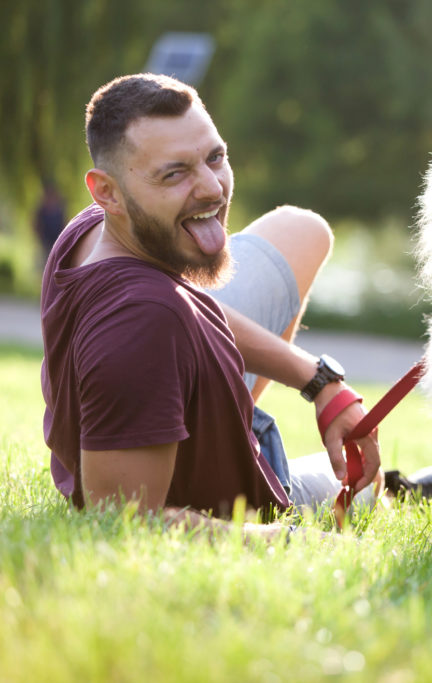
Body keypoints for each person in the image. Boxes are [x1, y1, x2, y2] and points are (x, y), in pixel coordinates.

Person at [40, 73, 381, 541]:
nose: (212, 189)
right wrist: (300, 540)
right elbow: (123, 519)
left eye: (215, 157)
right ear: (108, 192)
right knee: (367, 482)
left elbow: (192, 305)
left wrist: (320, 381)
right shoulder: (144, 322)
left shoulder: (91, 231)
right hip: (234, 493)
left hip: (174, 398)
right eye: (175, 173)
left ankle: (239, 418)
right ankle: (409, 487)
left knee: (303, 229)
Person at [34, 180, 66, 258]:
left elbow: (65, 223)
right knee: (47, 259)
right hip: (46, 241)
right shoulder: (41, 210)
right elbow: (36, 225)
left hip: (58, 240)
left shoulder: (60, 209)